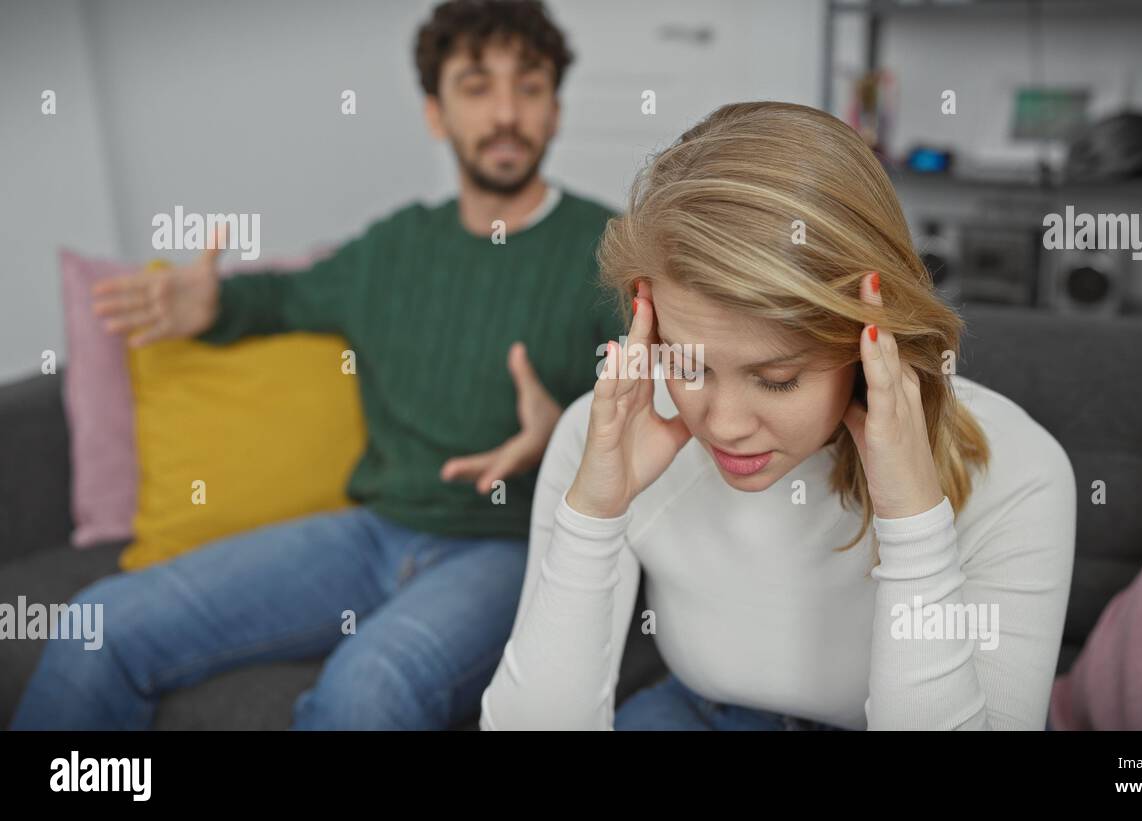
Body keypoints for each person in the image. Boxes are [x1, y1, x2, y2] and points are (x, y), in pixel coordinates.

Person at [11, 0, 623, 731]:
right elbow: (284, 297)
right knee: (99, 622)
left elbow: (661, 410)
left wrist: (565, 434)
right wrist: (214, 303)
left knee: (366, 688)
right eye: (475, 86)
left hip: (509, 547)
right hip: (370, 529)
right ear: (436, 113)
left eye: (529, 87)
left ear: (555, 110)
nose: (505, 112)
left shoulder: (609, 252)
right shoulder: (393, 248)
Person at [479, 101, 1078, 731]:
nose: (726, 425)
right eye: (687, 365)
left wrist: (914, 522)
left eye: (777, 379)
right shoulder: (612, 433)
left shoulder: (1020, 469)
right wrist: (592, 518)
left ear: (869, 338)